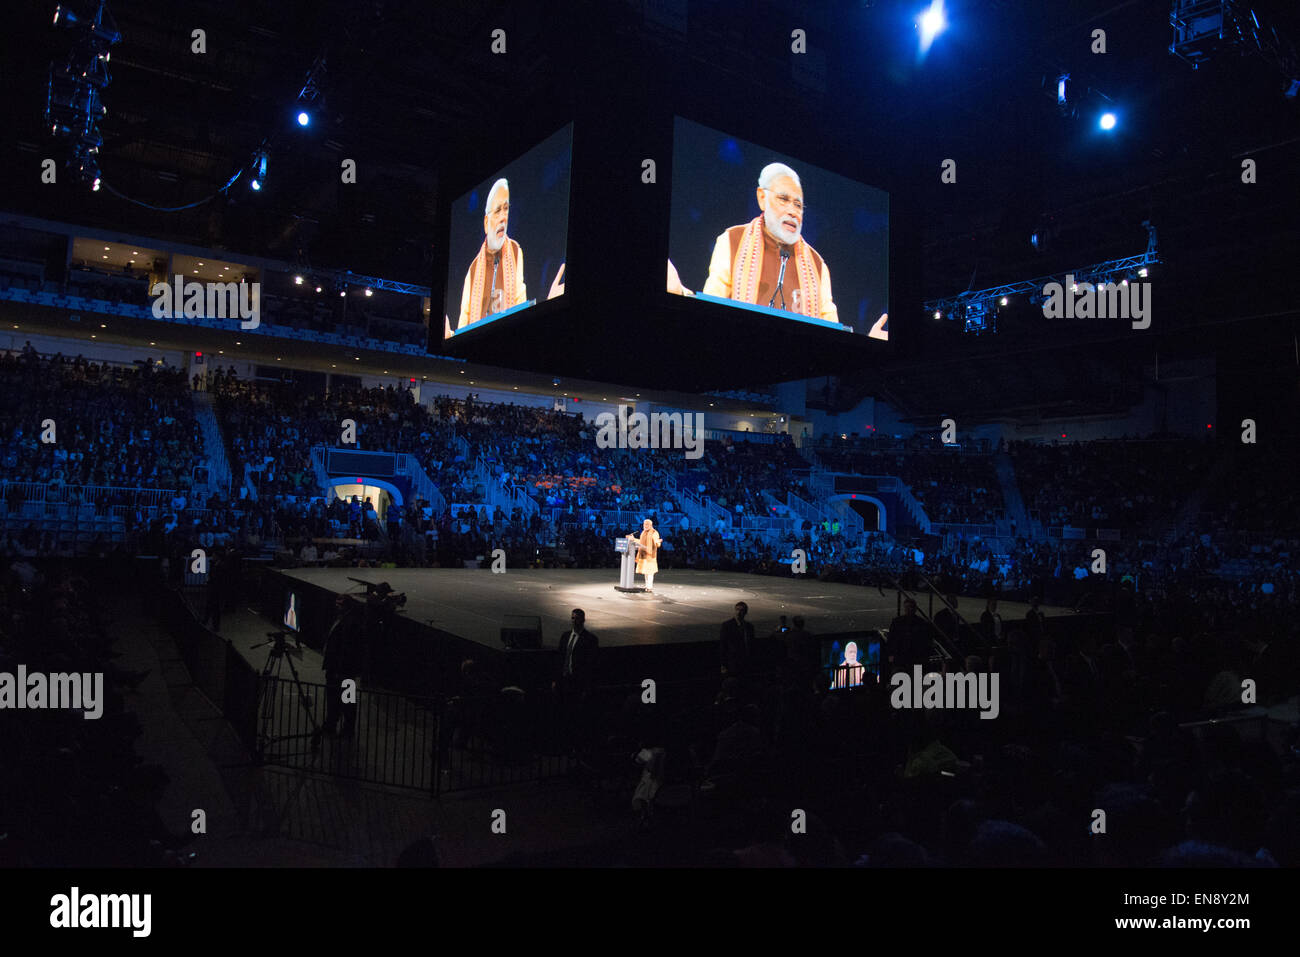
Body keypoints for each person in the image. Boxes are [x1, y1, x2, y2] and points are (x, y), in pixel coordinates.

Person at [699, 162, 838, 323]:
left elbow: (830, 326)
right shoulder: (731, 241)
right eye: (783, 199)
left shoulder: (817, 265)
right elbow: (710, 305)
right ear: (762, 198)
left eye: (798, 205)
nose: (792, 211)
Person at [456, 178, 527, 331]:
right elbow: (464, 321)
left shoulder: (515, 251)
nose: (503, 217)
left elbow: (521, 302)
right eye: (497, 211)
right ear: (486, 223)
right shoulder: (473, 269)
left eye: (506, 209)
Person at [719, 601, 757, 678]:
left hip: (746, 661)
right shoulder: (727, 625)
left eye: (741, 610)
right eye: (737, 610)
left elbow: (752, 644)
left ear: (745, 612)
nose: (738, 612)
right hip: (732, 662)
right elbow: (723, 645)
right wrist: (723, 664)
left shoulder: (749, 626)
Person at [627, 518, 662, 592]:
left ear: (651, 525)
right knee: (646, 571)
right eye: (644, 524)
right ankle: (647, 586)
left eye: (647, 524)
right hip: (643, 554)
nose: (645, 526)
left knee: (650, 572)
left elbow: (656, 541)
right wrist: (633, 539)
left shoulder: (654, 532)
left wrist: (658, 543)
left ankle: (649, 587)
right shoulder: (643, 532)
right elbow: (641, 542)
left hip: (650, 555)